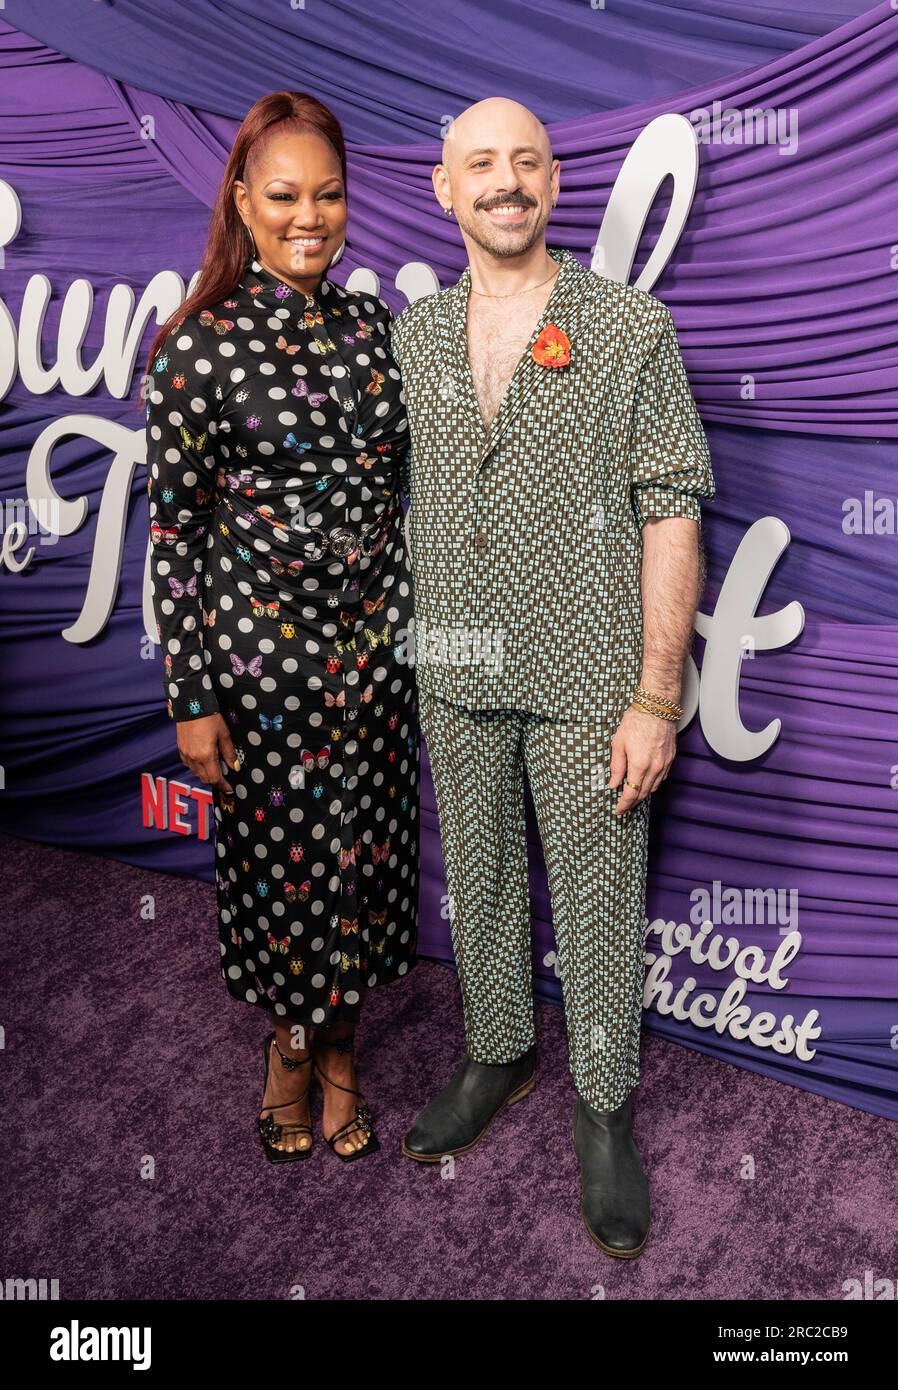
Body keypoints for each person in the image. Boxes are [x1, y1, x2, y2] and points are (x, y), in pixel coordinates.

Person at [388, 97, 715, 1256]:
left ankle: (604, 1106)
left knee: (598, 900)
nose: (505, 181)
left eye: (525, 161)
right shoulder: (414, 333)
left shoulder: (628, 327)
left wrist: (652, 694)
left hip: (588, 671)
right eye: (480, 164)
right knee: (473, 877)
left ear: (556, 183)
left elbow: (671, 506)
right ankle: (498, 1048)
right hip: (454, 659)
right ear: (443, 189)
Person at [144, 92, 419, 1165]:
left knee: (361, 866)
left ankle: (343, 1055)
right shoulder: (198, 347)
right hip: (262, 672)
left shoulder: (371, 329)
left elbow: (412, 487)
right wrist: (192, 694)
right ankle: (289, 1057)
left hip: (375, 660)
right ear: (244, 205)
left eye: (329, 193)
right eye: (285, 195)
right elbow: (174, 532)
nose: (310, 216)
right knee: (284, 873)